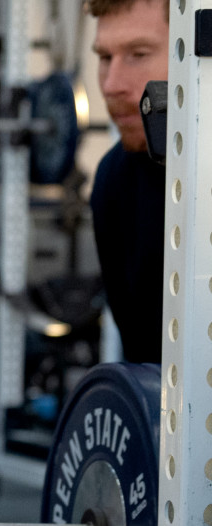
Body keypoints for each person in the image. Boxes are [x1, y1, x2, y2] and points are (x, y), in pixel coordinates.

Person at [87, 0, 169, 363]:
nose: (111, 85)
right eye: (105, 57)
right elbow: (145, 367)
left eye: (138, 54)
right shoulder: (114, 180)